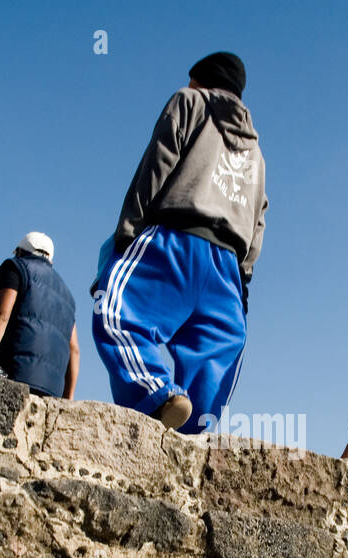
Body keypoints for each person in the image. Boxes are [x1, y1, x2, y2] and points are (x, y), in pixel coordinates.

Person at [93, 52, 268, 432]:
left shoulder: (189, 102)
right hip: (228, 267)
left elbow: (158, 162)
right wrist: (245, 278)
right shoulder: (257, 152)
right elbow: (260, 217)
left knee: (115, 313)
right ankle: (191, 436)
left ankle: (156, 391)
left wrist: (128, 229)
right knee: (214, 358)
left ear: (200, 80)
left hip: (176, 237)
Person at [0, 231, 79, 399]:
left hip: (10, 375)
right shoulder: (68, 296)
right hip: (51, 391)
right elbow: (74, 349)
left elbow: (1, 314)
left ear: (20, 252)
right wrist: (68, 398)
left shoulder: (15, 268)